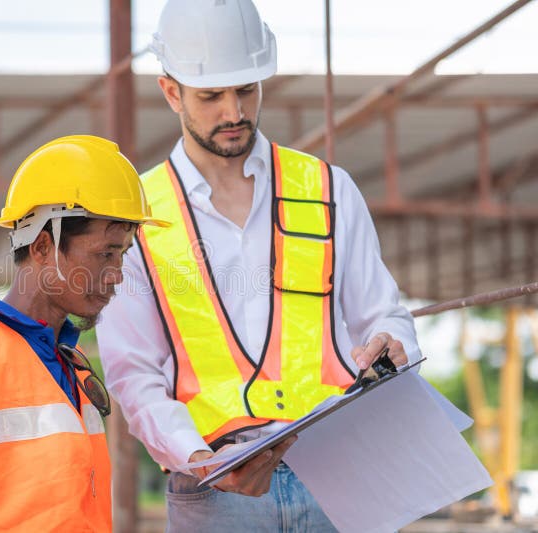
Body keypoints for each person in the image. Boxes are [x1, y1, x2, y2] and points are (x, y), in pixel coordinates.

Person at [95, 0, 422, 531]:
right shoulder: (138, 215)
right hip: (219, 492)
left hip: (337, 473)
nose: (234, 111)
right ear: (171, 92)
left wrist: (392, 341)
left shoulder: (328, 190)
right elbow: (134, 376)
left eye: (246, 89)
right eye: (211, 95)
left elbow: (386, 317)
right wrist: (203, 461)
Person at [0, 135, 168, 532]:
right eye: (105, 253)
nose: (117, 273)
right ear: (44, 246)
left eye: (123, 254)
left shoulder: (72, 365)